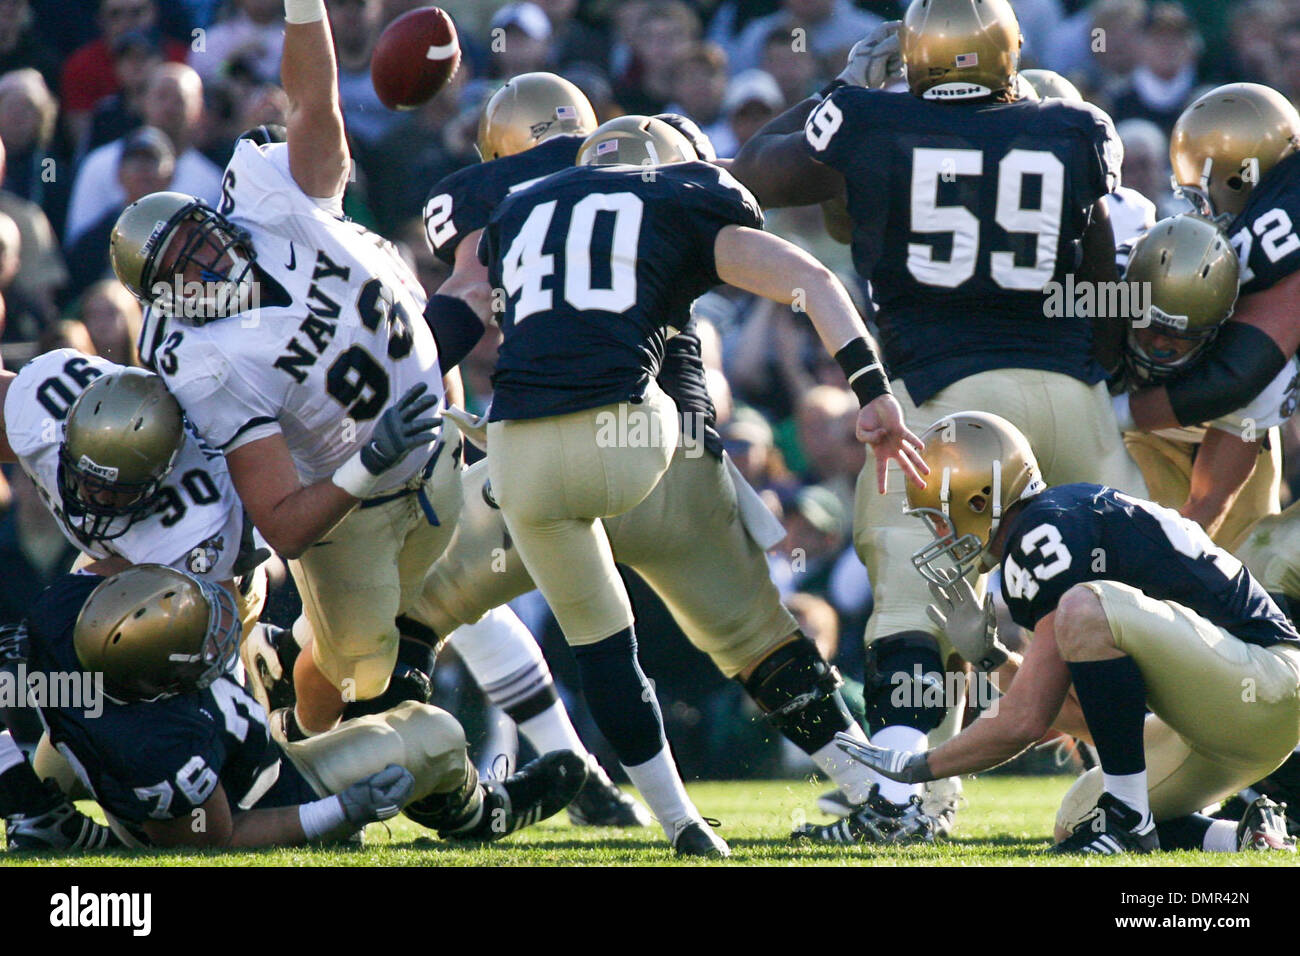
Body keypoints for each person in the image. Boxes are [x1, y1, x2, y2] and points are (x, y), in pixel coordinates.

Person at [106, 3, 636, 829]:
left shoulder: (270, 199)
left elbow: (312, 102)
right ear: (167, 302)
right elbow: (282, 522)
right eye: (185, 270)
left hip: (436, 454)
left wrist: (303, 8)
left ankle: (294, 697)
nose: (209, 263)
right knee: (379, 696)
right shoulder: (202, 357)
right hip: (353, 513)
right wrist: (364, 461)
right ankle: (468, 810)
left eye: (203, 241)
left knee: (447, 605)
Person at [730, 0, 1148, 842]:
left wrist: (836, 92)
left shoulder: (872, 116)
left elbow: (753, 174)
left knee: (914, 589)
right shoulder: (1075, 127)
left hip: (949, 399)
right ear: (1008, 54)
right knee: (1127, 598)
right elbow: (1106, 294)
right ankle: (1174, 789)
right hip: (1073, 401)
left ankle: (891, 799)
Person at [473, 113, 925, 854]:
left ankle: (678, 823)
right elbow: (810, 280)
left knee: (602, 651)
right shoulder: (683, 198)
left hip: (514, 452)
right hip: (640, 445)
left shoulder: (522, 204)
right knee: (753, 629)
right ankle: (871, 785)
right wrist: (872, 388)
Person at [832, 411, 1299, 854]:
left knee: (1085, 606)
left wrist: (915, 767)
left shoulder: (1045, 529)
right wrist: (993, 658)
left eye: (938, 514)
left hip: (1265, 680)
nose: (939, 533)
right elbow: (1078, 714)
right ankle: (1244, 837)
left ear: (980, 500)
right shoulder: (1058, 526)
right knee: (1076, 819)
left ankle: (1126, 820)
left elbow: (1024, 721)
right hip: (1224, 721)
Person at [9, 564, 586, 849]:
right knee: (435, 734)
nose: (217, 634)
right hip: (252, 795)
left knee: (62, 734)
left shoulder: (65, 615)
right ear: (164, 680)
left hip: (122, 739)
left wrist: (27, 790)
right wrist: (341, 812)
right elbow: (218, 836)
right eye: (200, 642)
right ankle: (480, 814)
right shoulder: (164, 743)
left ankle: (45, 816)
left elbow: (22, 693)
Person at [1117, 214, 1298, 549]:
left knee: (1247, 556)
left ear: (1218, 330)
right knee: (1134, 533)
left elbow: (1209, 501)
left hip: (1234, 429)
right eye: (1148, 324)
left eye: (1177, 335)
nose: (1158, 344)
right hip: (1148, 436)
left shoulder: (1257, 365)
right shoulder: (1099, 299)